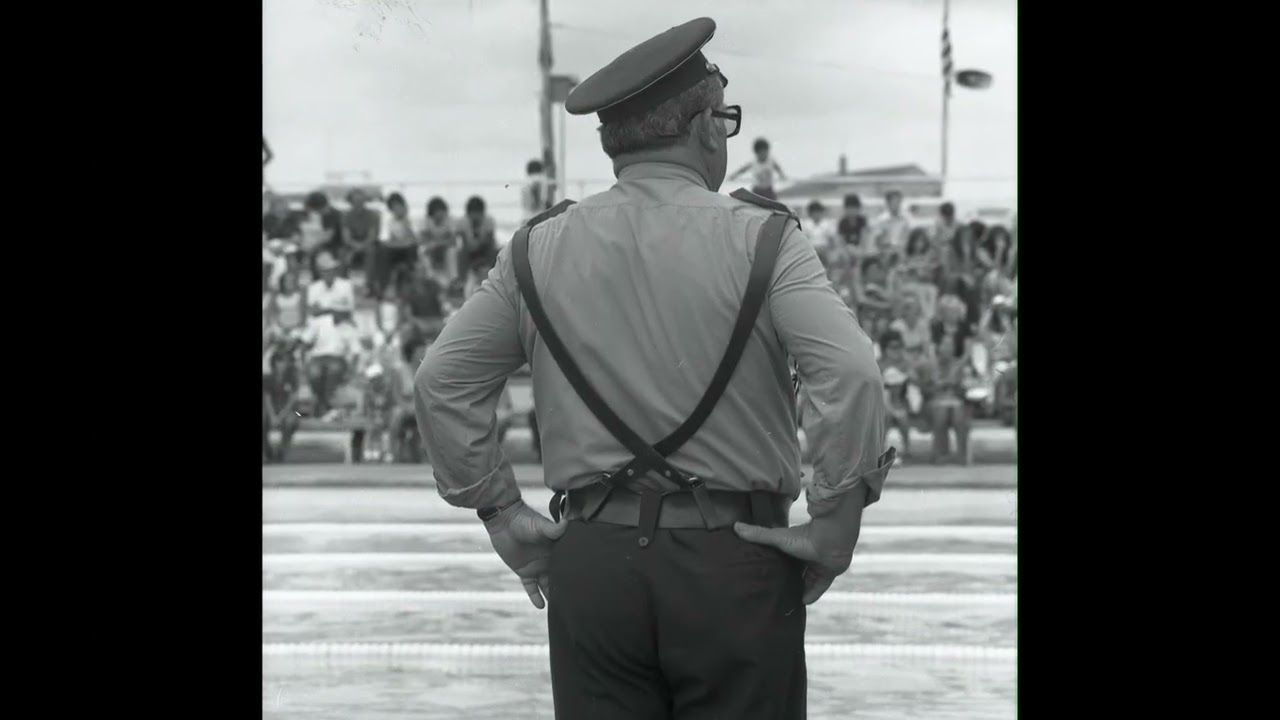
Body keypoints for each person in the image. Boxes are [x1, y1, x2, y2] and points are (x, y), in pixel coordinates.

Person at [414, 18, 892, 719]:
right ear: (703, 128)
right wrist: (834, 523)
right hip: (736, 561)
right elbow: (851, 375)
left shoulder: (535, 250)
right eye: (723, 121)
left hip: (593, 560)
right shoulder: (763, 238)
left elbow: (441, 384)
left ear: (616, 143)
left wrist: (500, 511)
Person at [374, 192, 418, 300]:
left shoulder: (412, 219)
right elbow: (388, 241)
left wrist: (405, 223)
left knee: (410, 249)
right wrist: (397, 243)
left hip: (410, 250)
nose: (397, 209)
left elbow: (413, 240)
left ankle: (409, 283)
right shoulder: (390, 221)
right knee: (381, 251)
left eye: (399, 206)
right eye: (394, 207)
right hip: (395, 250)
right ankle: (383, 286)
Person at [262, 344, 301, 462]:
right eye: (278, 361)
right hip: (273, 408)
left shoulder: (292, 378)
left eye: (283, 361)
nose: (281, 365)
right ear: (273, 363)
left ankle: (282, 452)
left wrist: (279, 417)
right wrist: (273, 416)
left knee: (290, 421)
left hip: (293, 410)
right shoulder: (268, 378)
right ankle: (267, 450)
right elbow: (267, 399)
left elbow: (292, 400)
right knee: (263, 419)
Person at [457, 195, 499, 298]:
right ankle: (461, 280)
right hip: (469, 251)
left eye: (478, 214)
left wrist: (479, 243)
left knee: (494, 250)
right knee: (461, 252)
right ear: (468, 214)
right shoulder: (462, 222)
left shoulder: (489, 221)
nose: (475, 217)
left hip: (484, 249)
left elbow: (490, 240)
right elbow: (464, 243)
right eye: (473, 214)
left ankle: (491, 272)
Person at [342, 188, 381, 293]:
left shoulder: (373, 215)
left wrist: (360, 247)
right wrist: (355, 247)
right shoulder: (346, 216)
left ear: (364, 201)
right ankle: (343, 286)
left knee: (371, 252)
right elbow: (346, 237)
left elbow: (372, 236)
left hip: (367, 244)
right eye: (355, 201)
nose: (358, 203)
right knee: (342, 254)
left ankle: (369, 285)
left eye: (361, 201)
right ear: (351, 202)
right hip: (351, 245)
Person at [298, 191, 343, 279]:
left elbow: (327, 238)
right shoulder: (324, 215)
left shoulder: (333, 215)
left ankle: (317, 280)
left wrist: (312, 249)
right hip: (325, 246)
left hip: (336, 247)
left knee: (314, 257)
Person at [306, 251, 356, 319]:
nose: (328, 273)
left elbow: (348, 313)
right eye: (325, 270)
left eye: (330, 270)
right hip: (320, 326)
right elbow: (312, 312)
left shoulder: (346, 285)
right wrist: (333, 311)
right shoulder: (313, 287)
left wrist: (324, 310)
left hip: (342, 327)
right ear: (320, 272)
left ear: (335, 270)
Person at [418, 196, 458, 281]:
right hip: (431, 248)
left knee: (452, 251)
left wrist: (438, 244)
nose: (440, 214)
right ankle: (429, 276)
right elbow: (422, 240)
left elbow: (453, 241)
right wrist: (431, 245)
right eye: (437, 211)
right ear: (432, 213)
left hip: (445, 248)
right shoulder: (425, 221)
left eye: (442, 211)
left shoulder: (450, 220)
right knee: (422, 250)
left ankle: (453, 279)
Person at [871, 189, 910, 258]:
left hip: (901, 251)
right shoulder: (881, 220)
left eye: (898, 201)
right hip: (885, 252)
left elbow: (907, 238)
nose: (897, 204)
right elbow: (877, 241)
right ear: (888, 203)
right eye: (894, 202)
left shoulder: (906, 219)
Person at [521, 159, 554, 223]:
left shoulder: (525, 184)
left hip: (527, 218)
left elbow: (525, 204)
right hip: (542, 219)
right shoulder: (545, 182)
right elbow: (549, 203)